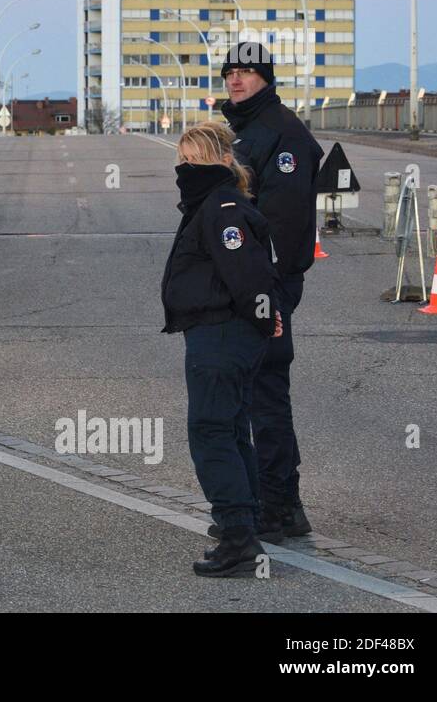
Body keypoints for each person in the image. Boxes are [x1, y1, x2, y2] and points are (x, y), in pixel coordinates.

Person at [162, 121, 283, 576]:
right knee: (230, 429)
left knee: (211, 431)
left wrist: (261, 317)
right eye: (182, 159)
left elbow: (250, 274)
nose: (186, 167)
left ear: (223, 162)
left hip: (222, 335)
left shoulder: (222, 207)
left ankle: (237, 537)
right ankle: (243, 521)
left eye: (196, 160)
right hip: (219, 333)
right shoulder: (214, 202)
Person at [214, 41, 323, 540]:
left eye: (246, 72)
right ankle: (272, 504)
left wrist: (259, 289)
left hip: (266, 284)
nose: (236, 80)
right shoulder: (240, 129)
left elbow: (282, 224)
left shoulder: (284, 134)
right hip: (242, 281)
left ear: (266, 77)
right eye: (230, 72)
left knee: (265, 393)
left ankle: (280, 507)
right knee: (249, 392)